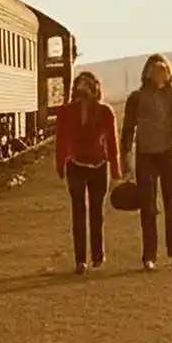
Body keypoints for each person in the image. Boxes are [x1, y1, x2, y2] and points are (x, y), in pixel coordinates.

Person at [120, 54, 172, 271]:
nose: (158, 74)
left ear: (169, 73)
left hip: (170, 155)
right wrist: (126, 159)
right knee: (148, 207)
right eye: (153, 70)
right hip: (146, 156)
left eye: (162, 70)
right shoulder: (136, 98)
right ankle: (149, 256)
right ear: (146, 73)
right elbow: (127, 130)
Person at [55, 71, 121, 274]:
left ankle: (98, 255)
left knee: (96, 212)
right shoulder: (67, 112)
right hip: (75, 165)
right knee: (78, 211)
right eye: (80, 85)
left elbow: (112, 142)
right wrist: (60, 164)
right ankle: (80, 260)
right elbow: (61, 140)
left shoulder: (105, 112)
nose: (83, 90)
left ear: (96, 88)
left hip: (98, 166)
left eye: (88, 86)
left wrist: (115, 168)